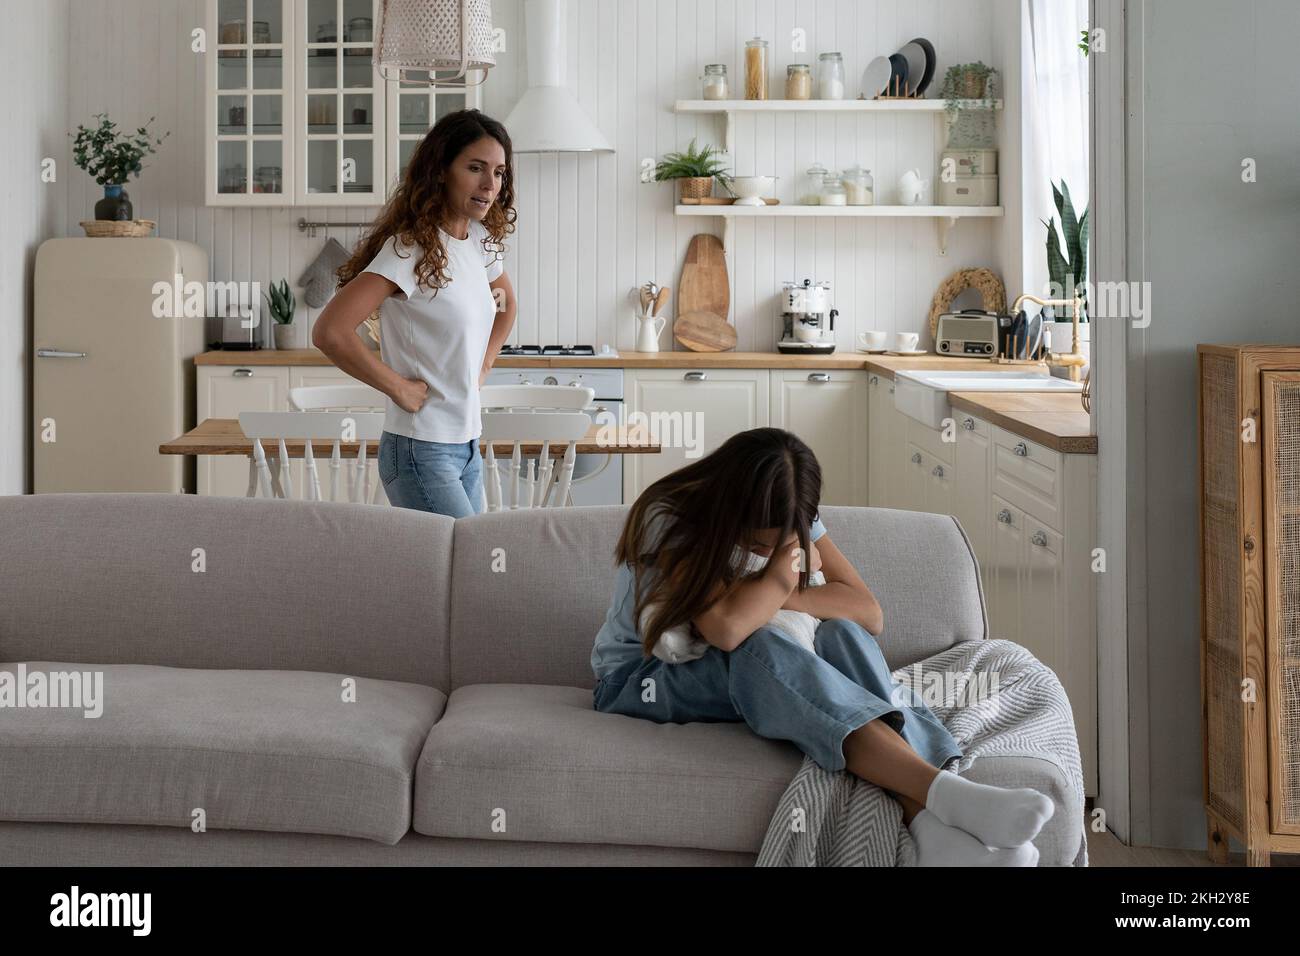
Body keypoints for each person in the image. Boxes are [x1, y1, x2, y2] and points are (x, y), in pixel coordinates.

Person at [590, 427, 1054, 866]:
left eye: (782, 543)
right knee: (760, 645)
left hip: (731, 656)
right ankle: (943, 793)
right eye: (756, 544)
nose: (768, 552)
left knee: (842, 633)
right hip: (640, 680)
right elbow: (728, 630)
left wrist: (783, 592)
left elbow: (868, 613)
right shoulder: (669, 515)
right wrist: (780, 571)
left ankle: (932, 832)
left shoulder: (792, 512)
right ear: (731, 508)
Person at [313, 109, 518, 517]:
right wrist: (396, 387)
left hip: (467, 445)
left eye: (498, 172)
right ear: (441, 170)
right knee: (464, 569)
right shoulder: (408, 249)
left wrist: (486, 361)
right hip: (420, 450)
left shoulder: (479, 242)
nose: (489, 184)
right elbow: (330, 331)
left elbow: (506, 305)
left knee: (464, 573)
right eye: (475, 168)